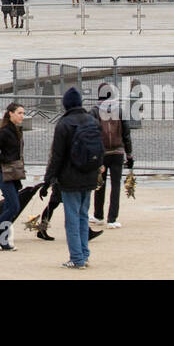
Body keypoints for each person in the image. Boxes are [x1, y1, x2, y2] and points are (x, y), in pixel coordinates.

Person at [42, 87, 102, 269]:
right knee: (83, 216)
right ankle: (84, 254)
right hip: (90, 175)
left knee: (72, 220)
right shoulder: (92, 120)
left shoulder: (64, 124)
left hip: (70, 178)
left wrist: (49, 179)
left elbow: (57, 156)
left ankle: (76, 258)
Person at [0, 102, 26, 249]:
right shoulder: (5, 131)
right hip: (4, 174)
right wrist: (7, 160)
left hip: (13, 174)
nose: (22, 116)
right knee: (13, 207)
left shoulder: (16, 130)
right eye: (19, 113)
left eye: (23, 113)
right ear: (11, 113)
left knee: (10, 206)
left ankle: (3, 240)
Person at [92, 82, 133, 229]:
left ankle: (98, 215)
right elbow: (126, 134)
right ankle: (112, 218)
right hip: (117, 152)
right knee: (115, 186)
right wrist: (129, 155)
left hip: (101, 153)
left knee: (99, 184)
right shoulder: (120, 111)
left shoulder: (95, 111)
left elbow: (93, 134)